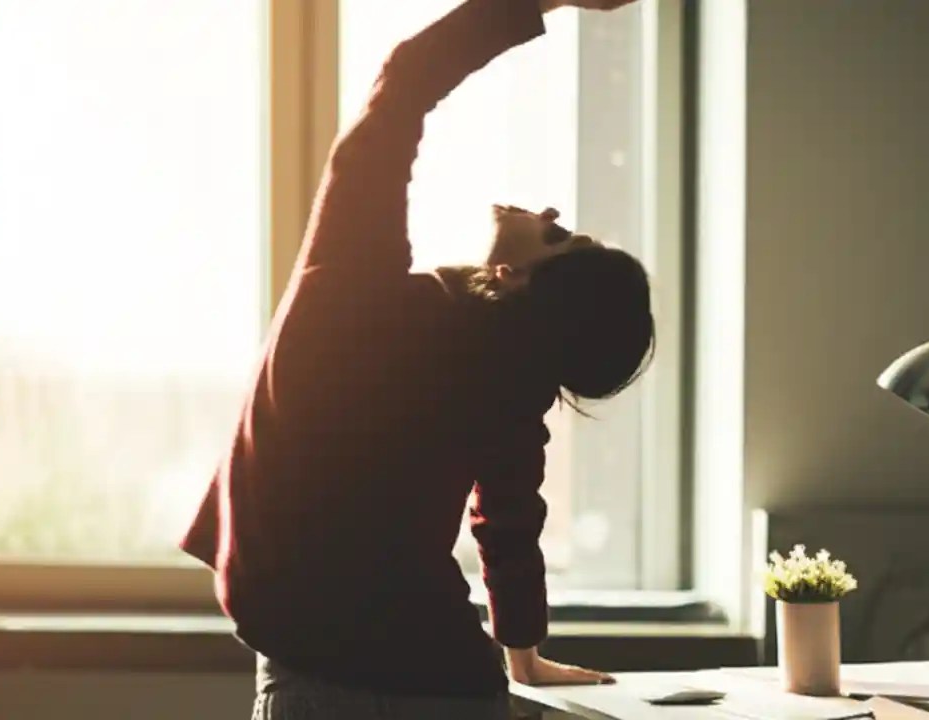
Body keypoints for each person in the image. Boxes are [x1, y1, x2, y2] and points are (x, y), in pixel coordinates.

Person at [180, 0, 653, 716]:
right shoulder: (507, 387)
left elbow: (404, 83)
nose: (555, 216)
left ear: (511, 280)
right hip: (446, 683)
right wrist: (522, 652)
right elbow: (509, 520)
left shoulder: (356, 285)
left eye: (562, 241)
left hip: (322, 679)